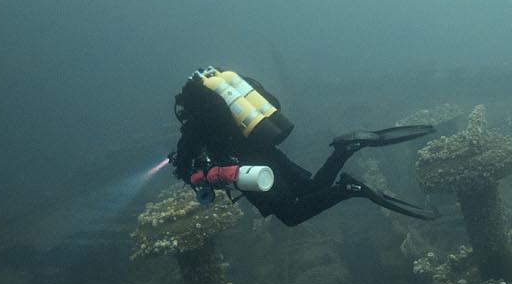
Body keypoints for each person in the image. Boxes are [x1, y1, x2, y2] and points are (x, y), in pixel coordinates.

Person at [169, 66, 438, 226]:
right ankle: (344, 150)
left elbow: (184, 162)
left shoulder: (197, 120)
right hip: (269, 151)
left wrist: (183, 166)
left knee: (291, 215)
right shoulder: (232, 99)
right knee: (311, 189)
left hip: (253, 172)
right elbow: (272, 102)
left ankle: (349, 188)